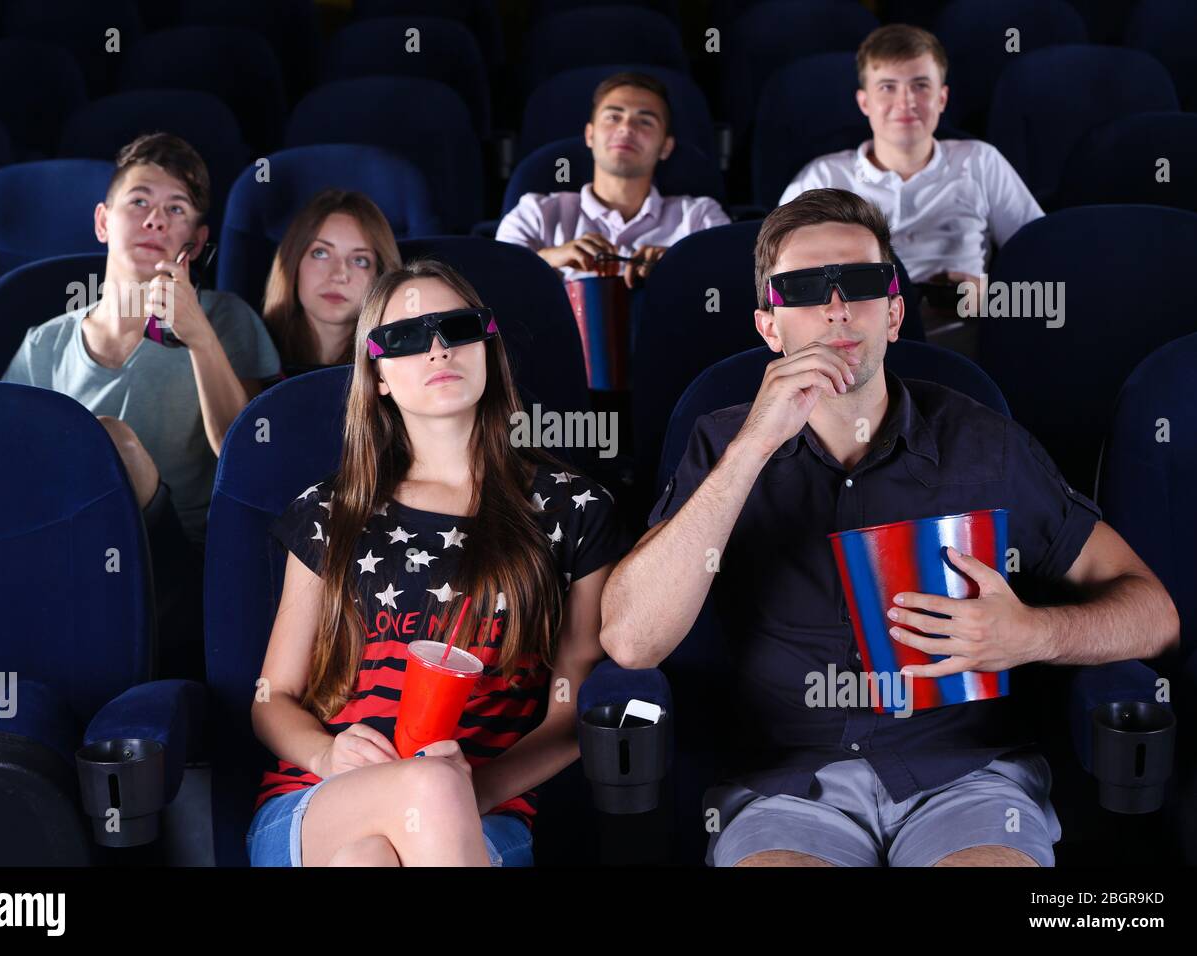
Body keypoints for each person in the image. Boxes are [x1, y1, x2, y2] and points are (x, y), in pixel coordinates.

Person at [599, 188, 1179, 868]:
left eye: (863, 283)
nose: (837, 307)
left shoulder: (984, 443)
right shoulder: (721, 443)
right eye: (806, 288)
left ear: (895, 312)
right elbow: (632, 641)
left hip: (967, 779)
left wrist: (1034, 633)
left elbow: (1155, 613)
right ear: (769, 328)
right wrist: (754, 448)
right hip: (785, 789)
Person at [248, 259, 627, 866]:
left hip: (486, 811)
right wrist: (324, 755)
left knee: (366, 860)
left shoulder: (570, 506)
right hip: (318, 798)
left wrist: (463, 792)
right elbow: (273, 697)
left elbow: (568, 713)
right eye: (403, 337)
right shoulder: (331, 510)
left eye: (456, 327)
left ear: (487, 347)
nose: (436, 349)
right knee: (396, 812)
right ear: (376, 378)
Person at [2, 132, 282, 677]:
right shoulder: (45, 342)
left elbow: (249, 454)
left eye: (174, 209)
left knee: (110, 439)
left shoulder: (228, 320)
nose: (154, 220)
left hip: (182, 561)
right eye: (139, 203)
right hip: (65, 552)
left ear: (195, 243)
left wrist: (198, 335)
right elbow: (9, 465)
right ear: (104, 222)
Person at [778, 25, 1043, 300]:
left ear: (942, 98)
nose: (905, 102)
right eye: (888, 87)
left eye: (920, 86)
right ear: (864, 102)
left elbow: (1041, 255)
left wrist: (991, 295)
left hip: (962, 328)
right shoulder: (821, 178)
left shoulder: (981, 161)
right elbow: (774, 273)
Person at [497, 71, 730, 288]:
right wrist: (547, 259)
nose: (626, 128)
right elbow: (492, 285)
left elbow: (734, 287)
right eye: (613, 117)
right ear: (589, 135)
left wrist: (681, 268)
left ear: (666, 147)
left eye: (645, 121)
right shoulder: (535, 213)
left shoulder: (700, 217)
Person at [260, 189, 402, 381]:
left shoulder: (396, 366)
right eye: (321, 253)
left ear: (379, 276)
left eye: (360, 260)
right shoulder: (250, 349)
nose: (339, 275)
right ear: (294, 262)